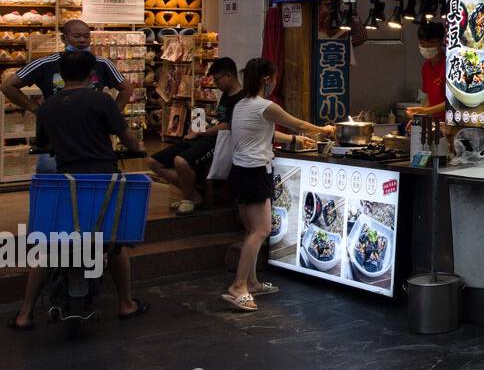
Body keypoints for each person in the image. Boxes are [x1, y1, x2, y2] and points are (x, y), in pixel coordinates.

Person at [8, 51, 147, 330]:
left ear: (61, 73)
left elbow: (43, 143)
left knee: (49, 244)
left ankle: (25, 313)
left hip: (66, 182)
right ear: (91, 74)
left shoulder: (47, 107)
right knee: (115, 243)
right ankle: (125, 303)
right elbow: (126, 136)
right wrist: (136, 150)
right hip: (102, 181)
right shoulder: (102, 101)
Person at [223, 58, 334, 313]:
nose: (275, 82)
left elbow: (267, 133)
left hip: (239, 172)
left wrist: (296, 139)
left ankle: (251, 281)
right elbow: (299, 123)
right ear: (266, 79)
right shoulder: (266, 106)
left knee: (251, 230)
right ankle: (238, 287)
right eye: (273, 77)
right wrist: (324, 129)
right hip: (255, 173)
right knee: (261, 231)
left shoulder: (241, 104)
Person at [1, 19, 137, 173]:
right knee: (56, 181)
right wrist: (35, 108)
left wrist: (114, 112)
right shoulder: (46, 63)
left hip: (94, 140)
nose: (82, 40)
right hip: (57, 142)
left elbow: (126, 88)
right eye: (77, 36)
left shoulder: (101, 63)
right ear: (63, 38)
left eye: (86, 36)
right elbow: (7, 86)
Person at [148, 57, 242, 215]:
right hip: (206, 137)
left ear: (229, 76)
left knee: (181, 162)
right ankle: (192, 194)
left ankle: (189, 197)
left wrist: (201, 131)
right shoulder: (226, 94)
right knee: (153, 162)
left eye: (217, 79)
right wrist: (203, 121)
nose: (215, 84)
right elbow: (221, 119)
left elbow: (228, 126)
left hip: (219, 143)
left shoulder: (241, 98)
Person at [407, 22, 447, 122]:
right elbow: (430, 97)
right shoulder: (426, 67)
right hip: (435, 122)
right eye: (423, 44)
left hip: (450, 123)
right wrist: (418, 117)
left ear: (441, 41)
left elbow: (453, 102)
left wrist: (425, 111)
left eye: (431, 43)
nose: (426, 47)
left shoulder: (449, 65)